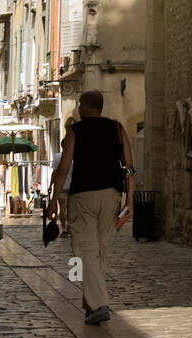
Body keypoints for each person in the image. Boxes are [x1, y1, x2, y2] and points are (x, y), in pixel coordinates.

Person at [47, 91, 134, 324]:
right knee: (101, 248)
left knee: (85, 249)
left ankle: (98, 305)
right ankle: (91, 301)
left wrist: (54, 200)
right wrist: (130, 200)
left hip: (84, 195)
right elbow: (129, 167)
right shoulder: (117, 128)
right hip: (112, 195)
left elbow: (63, 169)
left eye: (79, 104)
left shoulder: (76, 131)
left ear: (85, 106)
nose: (77, 107)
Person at [49, 120, 74, 236]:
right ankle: (69, 228)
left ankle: (63, 228)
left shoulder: (57, 157)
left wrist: (50, 185)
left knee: (62, 208)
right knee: (70, 209)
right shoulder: (74, 158)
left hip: (61, 186)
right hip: (72, 186)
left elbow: (54, 173)